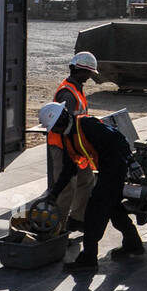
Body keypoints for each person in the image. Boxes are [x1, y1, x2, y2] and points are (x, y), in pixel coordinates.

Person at [36, 101, 144, 273]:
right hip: (106, 168)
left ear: (60, 120)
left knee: (94, 212)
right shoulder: (67, 136)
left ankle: (88, 259)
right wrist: (53, 193)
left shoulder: (87, 124)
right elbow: (69, 169)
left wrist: (132, 162)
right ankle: (133, 245)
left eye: (53, 127)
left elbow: (118, 138)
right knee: (114, 209)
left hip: (115, 167)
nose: (53, 132)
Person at [47, 52, 99, 234]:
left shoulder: (76, 88)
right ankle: (58, 230)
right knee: (66, 188)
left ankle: (77, 219)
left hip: (77, 146)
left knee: (87, 179)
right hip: (63, 146)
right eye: (89, 72)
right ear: (79, 71)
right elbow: (64, 126)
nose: (91, 76)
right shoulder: (67, 93)